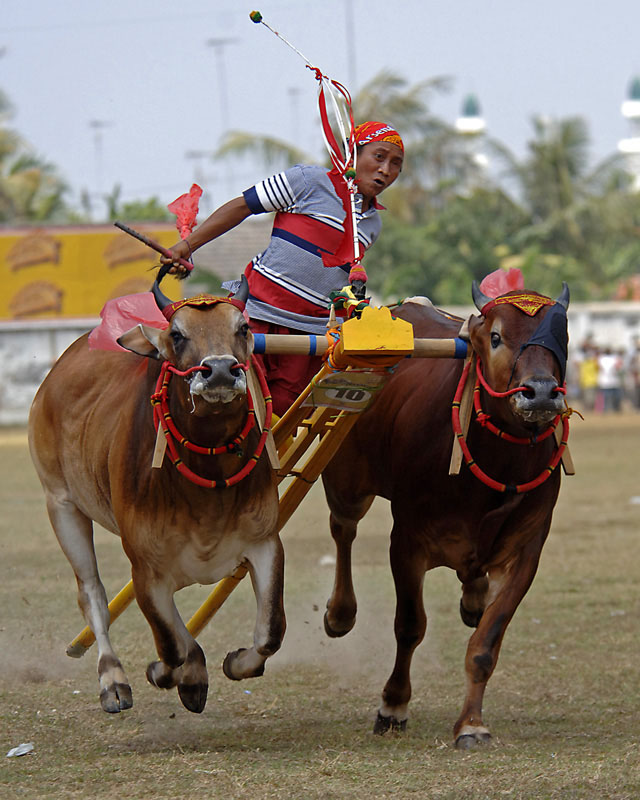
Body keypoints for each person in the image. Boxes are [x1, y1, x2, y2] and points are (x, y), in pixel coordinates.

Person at [161, 121, 404, 416]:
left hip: (308, 335)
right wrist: (188, 246)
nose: (386, 170)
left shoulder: (373, 224)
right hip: (256, 318)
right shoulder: (308, 181)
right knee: (234, 407)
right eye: (378, 157)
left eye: (396, 164)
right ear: (352, 154)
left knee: (283, 415)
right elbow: (242, 206)